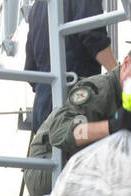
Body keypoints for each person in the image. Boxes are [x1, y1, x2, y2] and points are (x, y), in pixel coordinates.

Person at [24, 37, 131, 196]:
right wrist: (110, 127)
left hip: (79, 182)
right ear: (126, 64)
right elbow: (59, 132)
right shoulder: (99, 90)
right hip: (47, 167)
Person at [24, 0, 117, 133]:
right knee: (79, 151)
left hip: (43, 107)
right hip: (76, 102)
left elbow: (30, 69)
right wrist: (118, 74)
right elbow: (93, 37)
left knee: (45, 152)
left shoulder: (37, 6)